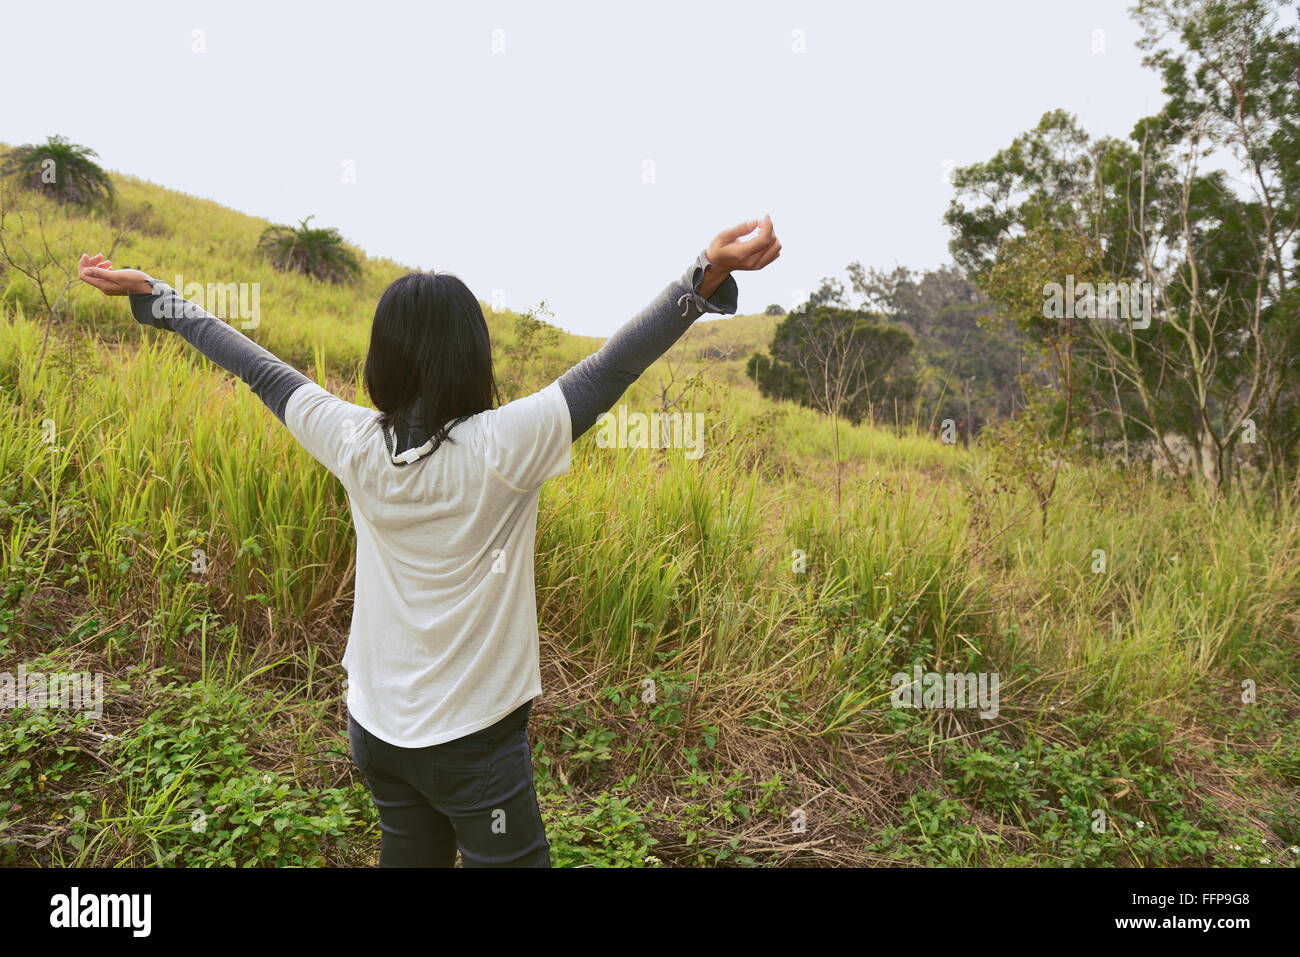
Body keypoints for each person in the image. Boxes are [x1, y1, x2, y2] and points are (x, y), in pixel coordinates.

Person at [78, 215, 781, 866]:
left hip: (378, 729)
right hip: (474, 745)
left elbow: (258, 368)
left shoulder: (353, 440)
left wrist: (156, 297)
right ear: (472, 355)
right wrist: (702, 275)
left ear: (385, 358)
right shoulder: (508, 445)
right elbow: (613, 366)